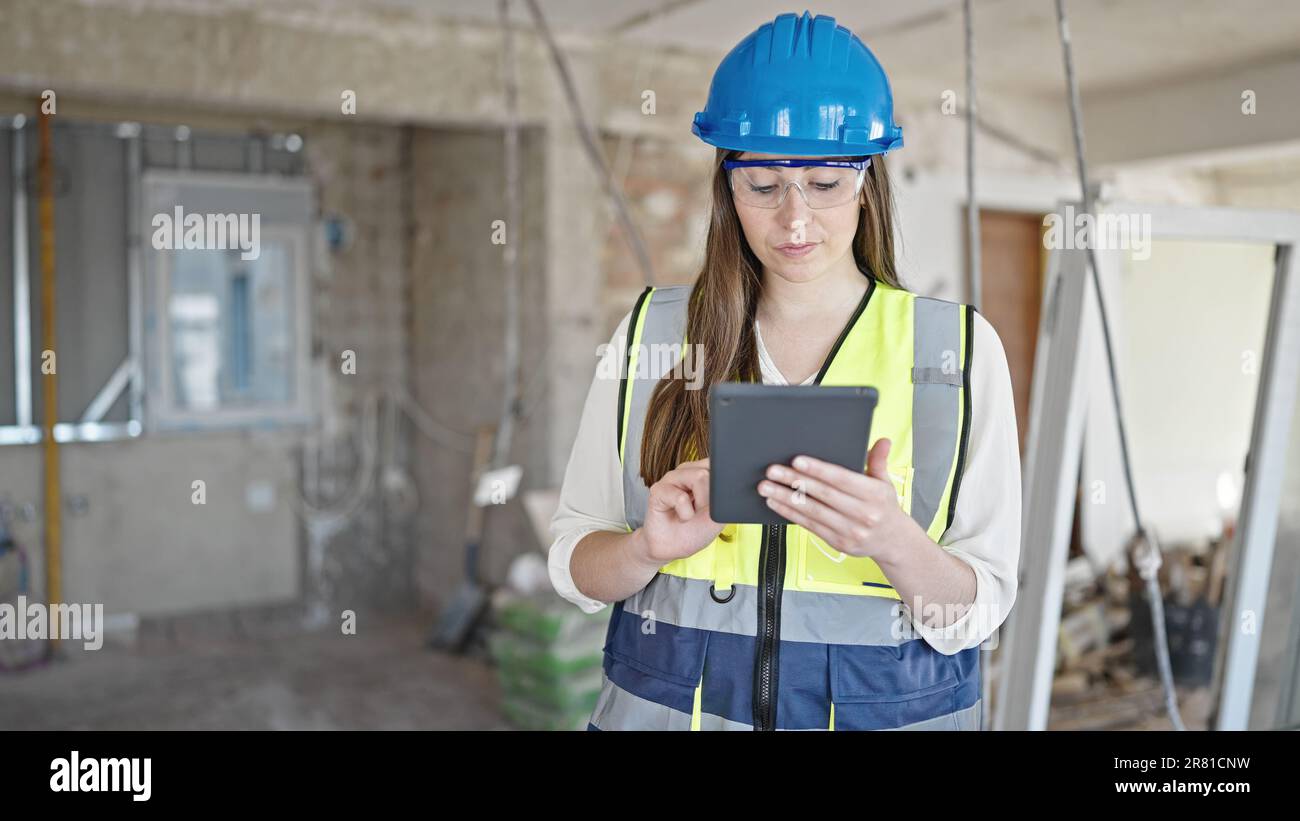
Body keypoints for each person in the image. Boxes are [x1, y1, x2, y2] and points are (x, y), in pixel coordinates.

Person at [548, 10, 1021, 731]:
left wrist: (892, 539)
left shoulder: (955, 350)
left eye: (826, 184)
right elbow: (576, 561)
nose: (795, 221)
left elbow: (974, 613)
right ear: (725, 187)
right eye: (763, 187)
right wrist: (646, 547)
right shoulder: (652, 334)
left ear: (867, 181)